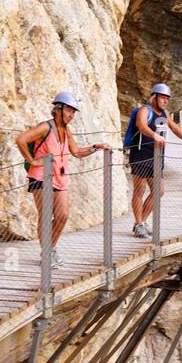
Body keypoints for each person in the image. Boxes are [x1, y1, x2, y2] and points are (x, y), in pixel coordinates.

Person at [16, 92, 110, 269]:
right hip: (41, 177)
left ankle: (50, 250)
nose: (71, 115)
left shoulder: (66, 130)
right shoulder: (45, 127)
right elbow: (21, 139)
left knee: (63, 215)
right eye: (68, 110)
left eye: (73, 112)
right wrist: (32, 161)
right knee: (45, 215)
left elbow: (76, 152)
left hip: (59, 177)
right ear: (58, 109)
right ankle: (47, 253)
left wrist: (96, 147)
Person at [129, 83, 182, 239]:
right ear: (154, 97)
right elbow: (140, 125)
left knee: (158, 191)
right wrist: (154, 135)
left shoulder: (164, 114)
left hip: (156, 157)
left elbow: (174, 128)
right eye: (163, 97)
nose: (165, 101)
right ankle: (139, 223)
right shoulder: (145, 110)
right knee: (139, 191)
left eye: (167, 98)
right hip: (141, 154)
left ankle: (141, 223)